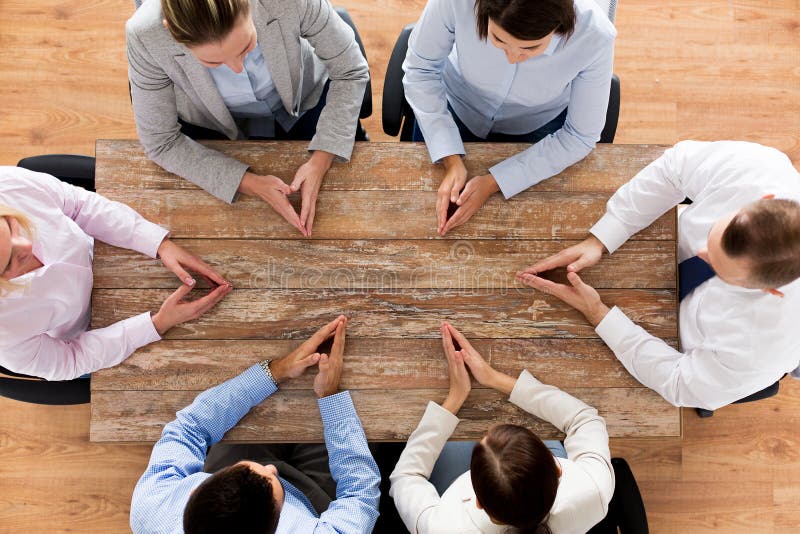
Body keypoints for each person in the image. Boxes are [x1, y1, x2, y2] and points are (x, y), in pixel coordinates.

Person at [518, 140, 800, 411]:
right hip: (651, 248)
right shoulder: (761, 168)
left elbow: (679, 383)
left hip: (680, 343)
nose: (702, 253)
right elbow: (674, 169)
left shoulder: (765, 346)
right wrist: (603, 237)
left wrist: (598, 313)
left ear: (772, 291)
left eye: (719, 268)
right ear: (763, 199)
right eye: (713, 237)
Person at [126, 0, 370, 236]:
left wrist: (322, 159)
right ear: (171, 32)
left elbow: (350, 69)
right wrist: (249, 183)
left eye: (246, 47)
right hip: (211, 124)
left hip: (301, 101)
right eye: (212, 61)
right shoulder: (145, 33)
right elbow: (160, 142)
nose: (236, 69)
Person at [130, 316, 381, 534]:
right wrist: (331, 398)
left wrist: (276, 370)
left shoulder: (154, 508)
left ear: (194, 491)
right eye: (272, 477)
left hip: (233, 464)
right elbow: (360, 496)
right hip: (312, 502)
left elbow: (189, 427)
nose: (271, 468)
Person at [403, 0, 616, 235]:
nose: (513, 57)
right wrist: (450, 159)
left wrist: (494, 183)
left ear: (559, 27)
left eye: (532, 48)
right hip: (455, 105)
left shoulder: (595, 35)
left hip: (538, 125)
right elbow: (420, 70)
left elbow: (580, 135)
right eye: (498, 40)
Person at [0, 166, 231, 381]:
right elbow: (70, 359)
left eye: (11, 225)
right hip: (92, 332)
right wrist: (157, 324)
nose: (27, 245)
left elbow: (78, 204)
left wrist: (156, 243)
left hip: (103, 248)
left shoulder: (6, 185)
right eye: (11, 259)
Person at [390, 322, 614, 533]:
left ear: (477, 500)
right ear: (557, 470)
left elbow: (405, 477)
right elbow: (584, 420)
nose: (486, 431)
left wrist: (454, 399)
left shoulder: (444, 527)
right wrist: (493, 378)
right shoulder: (592, 489)